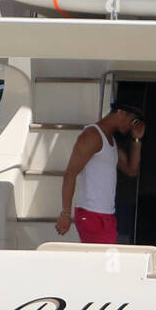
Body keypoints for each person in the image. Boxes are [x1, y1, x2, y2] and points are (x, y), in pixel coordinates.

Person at [56, 102, 145, 244]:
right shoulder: (92, 135)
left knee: (103, 262)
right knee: (100, 262)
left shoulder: (111, 141)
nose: (132, 126)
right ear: (121, 112)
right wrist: (65, 213)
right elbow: (70, 173)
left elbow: (131, 170)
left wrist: (137, 139)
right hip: (91, 214)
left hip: (107, 215)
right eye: (133, 121)